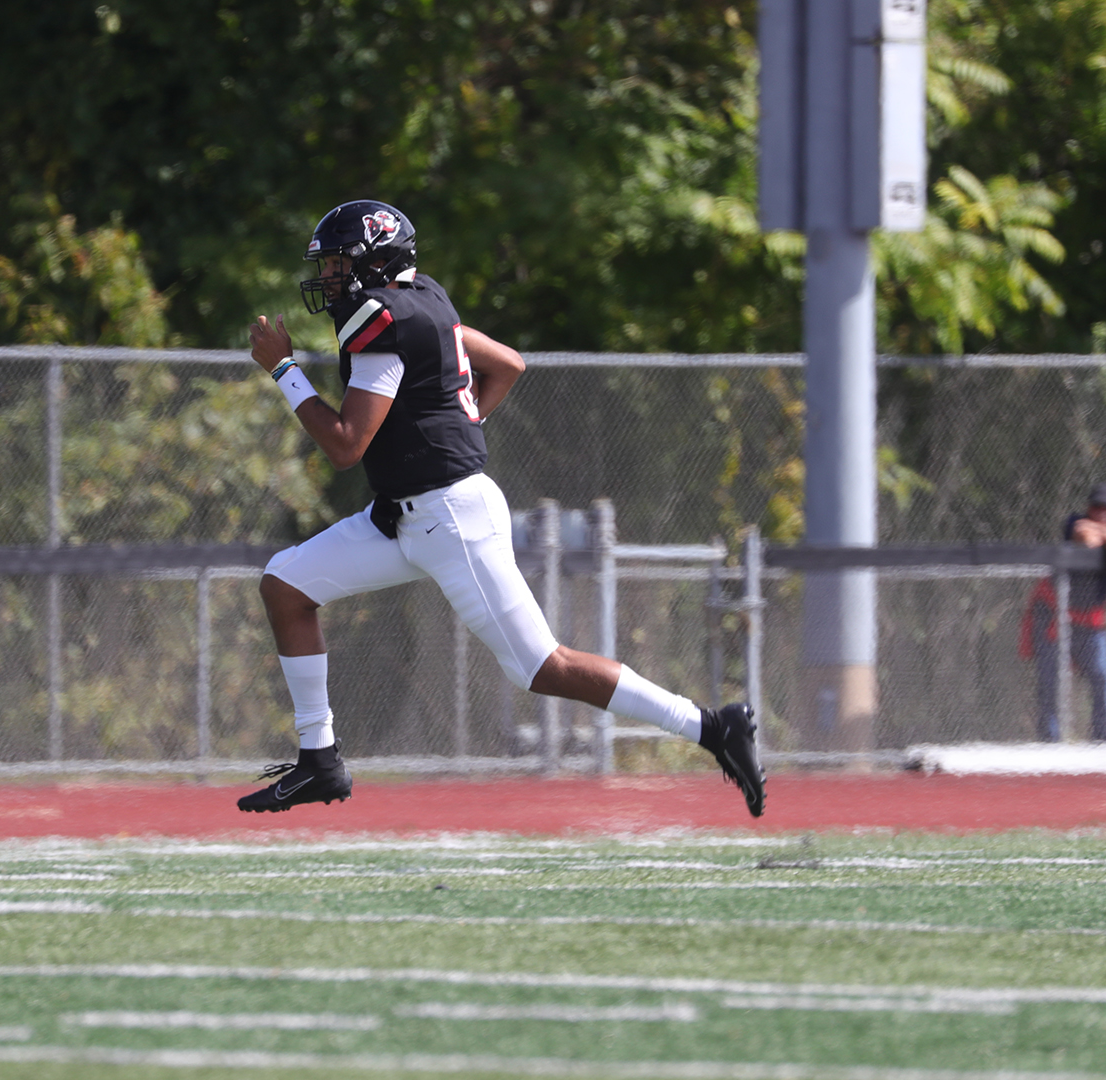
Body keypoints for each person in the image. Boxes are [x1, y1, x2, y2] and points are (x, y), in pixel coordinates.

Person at [237, 199, 764, 816]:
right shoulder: (425, 300)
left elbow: (345, 446)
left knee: (542, 667)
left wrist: (283, 368)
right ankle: (319, 760)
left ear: (375, 260)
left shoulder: (381, 318)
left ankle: (712, 726)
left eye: (335, 263)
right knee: (286, 585)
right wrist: (452, 426)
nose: (327, 277)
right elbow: (508, 364)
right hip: (406, 516)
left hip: (449, 518)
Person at [1020, 482, 1106, 742]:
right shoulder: (1075, 522)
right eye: (1095, 508)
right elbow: (1088, 541)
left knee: (1102, 675)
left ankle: (1103, 741)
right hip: (1053, 615)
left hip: (1089, 621)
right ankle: (1049, 744)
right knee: (1050, 684)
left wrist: (1103, 531)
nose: (1100, 513)